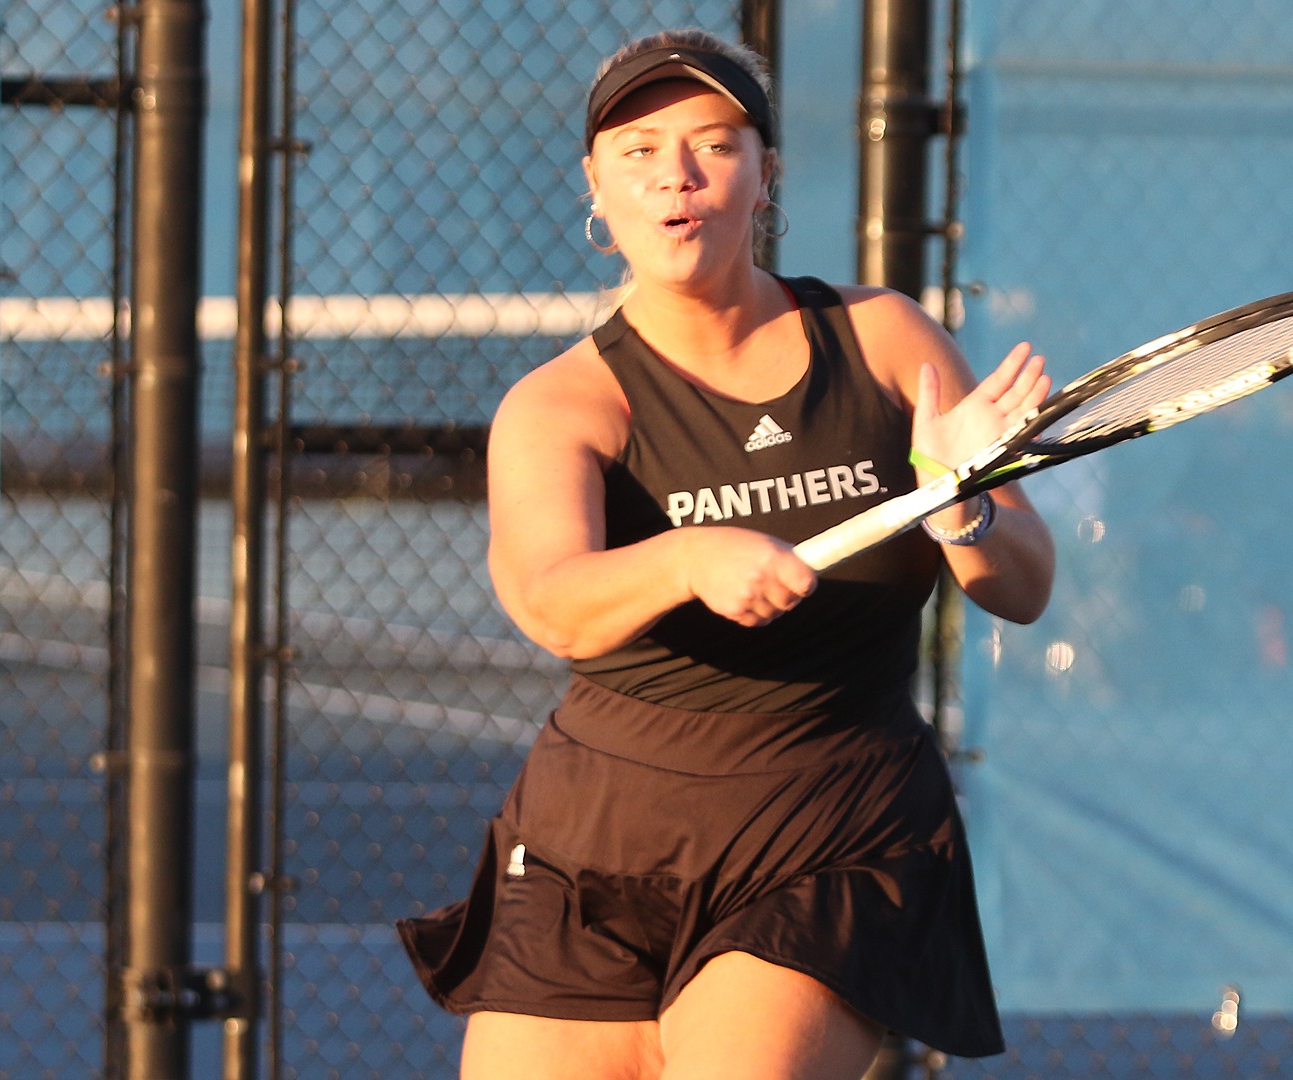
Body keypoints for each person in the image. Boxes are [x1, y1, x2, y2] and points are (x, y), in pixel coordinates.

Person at [397, 27, 1056, 1080]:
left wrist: (960, 505)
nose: (678, 176)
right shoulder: (564, 403)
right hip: (593, 850)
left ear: (765, 173)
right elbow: (553, 601)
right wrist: (684, 559)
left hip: (829, 834)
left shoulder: (882, 341)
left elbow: (1022, 586)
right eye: (641, 150)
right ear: (597, 193)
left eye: (714, 143)